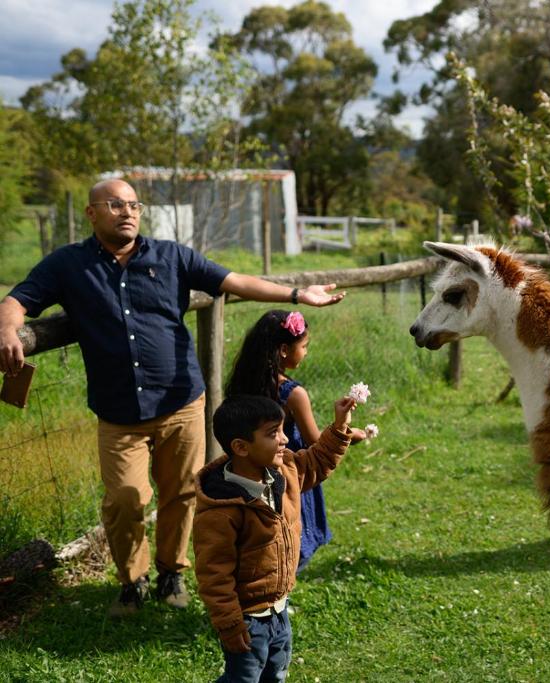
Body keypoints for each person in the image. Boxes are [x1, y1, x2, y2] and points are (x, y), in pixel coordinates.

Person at [0, 178, 346, 617]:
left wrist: (298, 294)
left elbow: (233, 280)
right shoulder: (68, 265)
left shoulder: (171, 256)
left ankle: (171, 573)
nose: (126, 212)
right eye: (114, 204)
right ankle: (132, 581)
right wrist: (7, 327)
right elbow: (17, 300)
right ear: (92, 213)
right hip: (118, 411)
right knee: (125, 499)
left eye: (133, 205)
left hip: (182, 403)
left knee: (182, 493)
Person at [195, 393, 355, 683]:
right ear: (241, 447)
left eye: (282, 430)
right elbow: (213, 574)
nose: (284, 439)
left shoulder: (285, 470)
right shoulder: (221, 510)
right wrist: (230, 624)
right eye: (273, 434)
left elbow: (318, 460)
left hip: (280, 612)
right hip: (247, 621)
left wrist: (340, 424)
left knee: (276, 676)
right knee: (242, 679)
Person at [224, 309, 365, 572]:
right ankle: (277, 600)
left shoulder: (243, 384)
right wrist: (346, 430)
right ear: (284, 350)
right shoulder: (292, 393)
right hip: (290, 473)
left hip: (249, 473)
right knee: (290, 543)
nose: (307, 352)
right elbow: (315, 442)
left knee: (259, 543)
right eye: (304, 346)